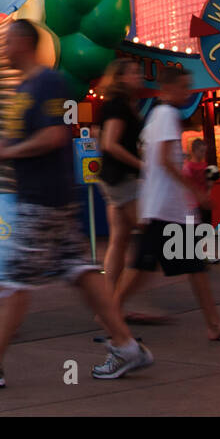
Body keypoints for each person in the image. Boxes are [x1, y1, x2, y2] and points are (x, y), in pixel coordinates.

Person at [0, 21, 153, 388]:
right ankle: (127, 346)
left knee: (16, 280)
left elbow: (55, 135)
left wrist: (8, 150)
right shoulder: (22, 89)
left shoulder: (49, 83)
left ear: (23, 43)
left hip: (43, 200)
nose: (3, 48)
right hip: (42, 199)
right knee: (81, 272)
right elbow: (22, 135)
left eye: (7, 41)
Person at [111, 66, 220, 341]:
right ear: (168, 89)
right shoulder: (167, 114)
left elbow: (154, 158)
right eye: (183, 87)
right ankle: (111, 315)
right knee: (146, 268)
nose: (187, 92)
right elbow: (164, 160)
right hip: (164, 209)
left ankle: (214, 324)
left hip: (163, 207)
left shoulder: (156, 115)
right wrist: (196, 191)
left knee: (182, 266)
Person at [95, 59, 146, 316]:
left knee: (120, 239)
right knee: (151, 234)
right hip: (122, 178)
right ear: (121, 78)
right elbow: (110, 144)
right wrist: (141, 164)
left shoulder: (121, 105)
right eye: (134, 72)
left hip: (113, 177)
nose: (139, 76)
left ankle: (110, 304)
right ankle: (114, 305)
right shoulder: (118, 107)